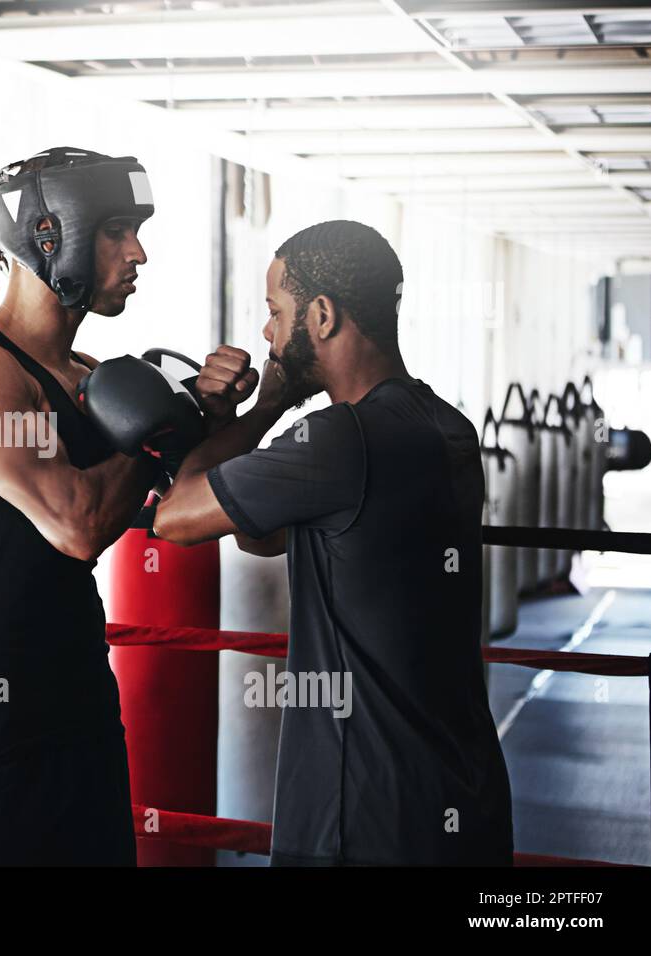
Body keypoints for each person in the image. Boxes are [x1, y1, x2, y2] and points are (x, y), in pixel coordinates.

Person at [154, 220, 514, 866]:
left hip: (362, 816)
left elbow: (175, 518)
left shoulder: (339, 439)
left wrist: (262, 411)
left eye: (275, 312)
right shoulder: (445, 425)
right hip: (459, 796)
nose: (267, 333)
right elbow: (266, 538)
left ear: (320, 315)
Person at [0, 147, 224, 866]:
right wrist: (177, 414)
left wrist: (247, 406)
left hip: (80, 695)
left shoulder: (90, 379)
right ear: (52, 235)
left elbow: (182, 500)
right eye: (116, 230)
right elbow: (77, 525)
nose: (138, 252)